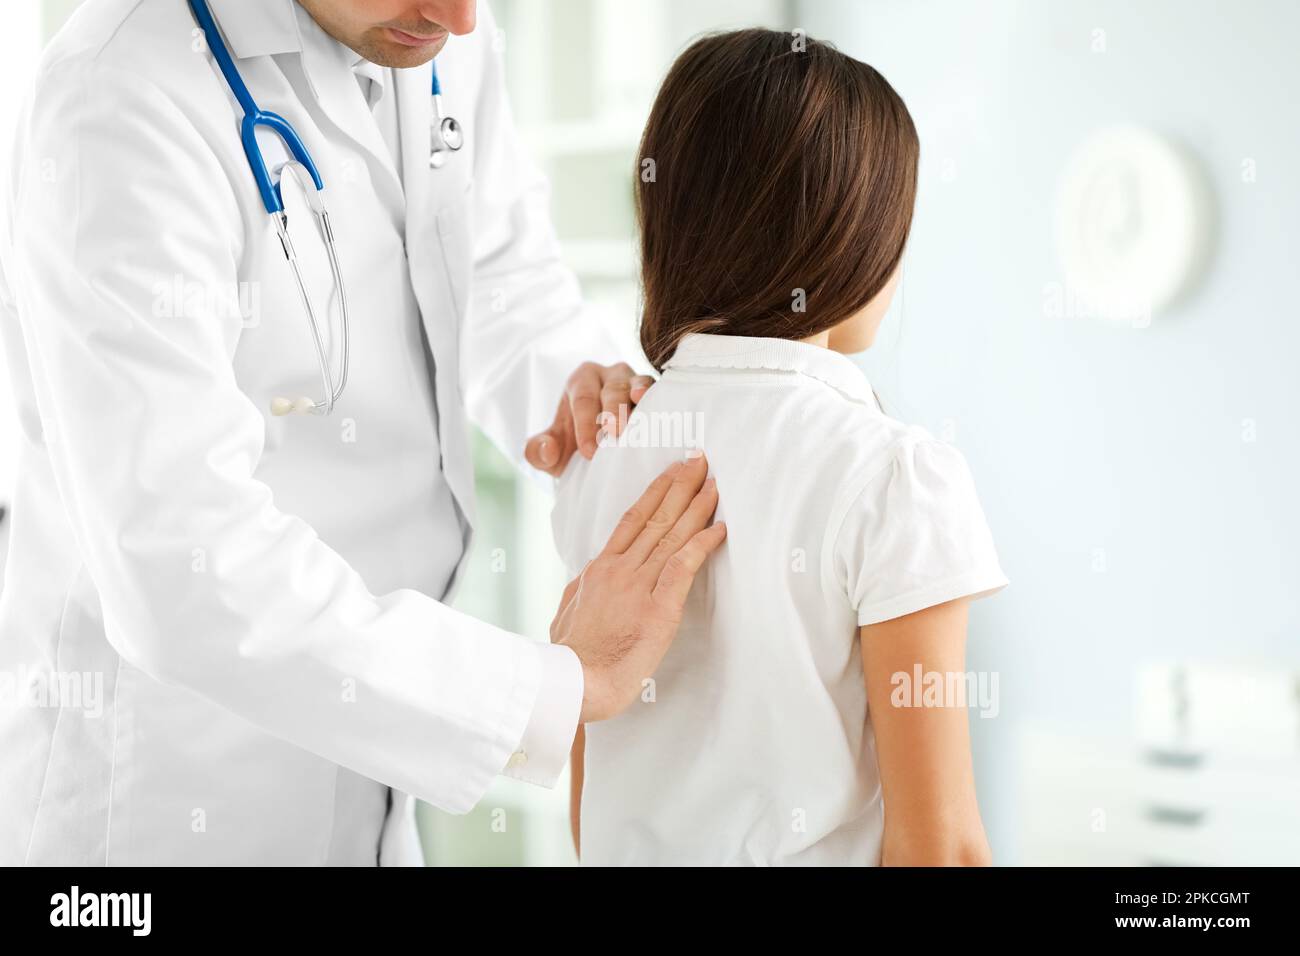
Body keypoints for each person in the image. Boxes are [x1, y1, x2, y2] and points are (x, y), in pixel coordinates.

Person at [0, 0, 724, 866]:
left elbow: (503, 280)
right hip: (173, 797)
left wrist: (587, 401)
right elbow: (180, 563)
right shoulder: (119, 96)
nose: (458, 18)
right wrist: (557, 688)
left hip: (376, 790)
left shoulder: (436, 30)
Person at [555, 29, 1008, 866]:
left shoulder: (602, 449)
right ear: (854, 238)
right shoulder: (895, 480)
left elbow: (591, 792)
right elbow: (940, 845)